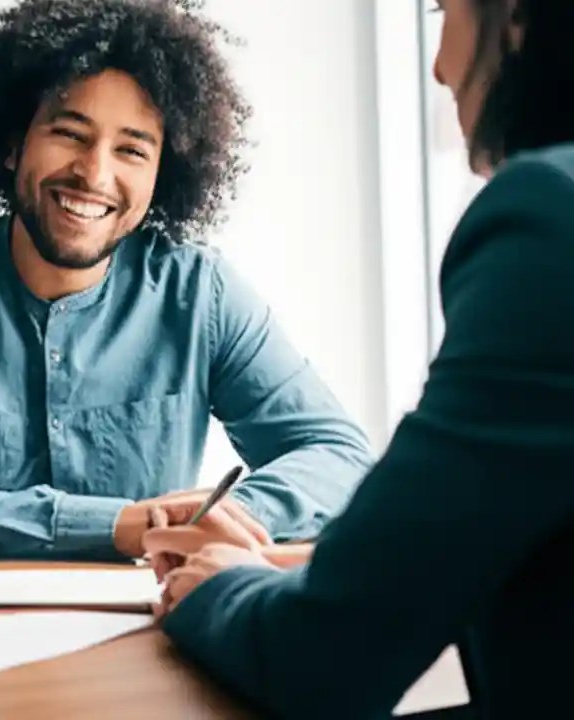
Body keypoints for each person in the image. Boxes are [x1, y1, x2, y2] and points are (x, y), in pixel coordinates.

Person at [141, 1, 574, 717]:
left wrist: (223, 581)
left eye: (444, 11)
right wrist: (287, 569)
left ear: (519, 16)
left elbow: (321, 652)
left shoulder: (548, 221)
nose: (438, 67)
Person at [0, 0, 371, 562]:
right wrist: (122, 525)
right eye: (70, 134)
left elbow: (337, 454)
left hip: (148, 628)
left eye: (131, 150)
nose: (95, 174)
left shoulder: (200, 294)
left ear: (160, 176)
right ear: (10, 142)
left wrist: (215, 520)